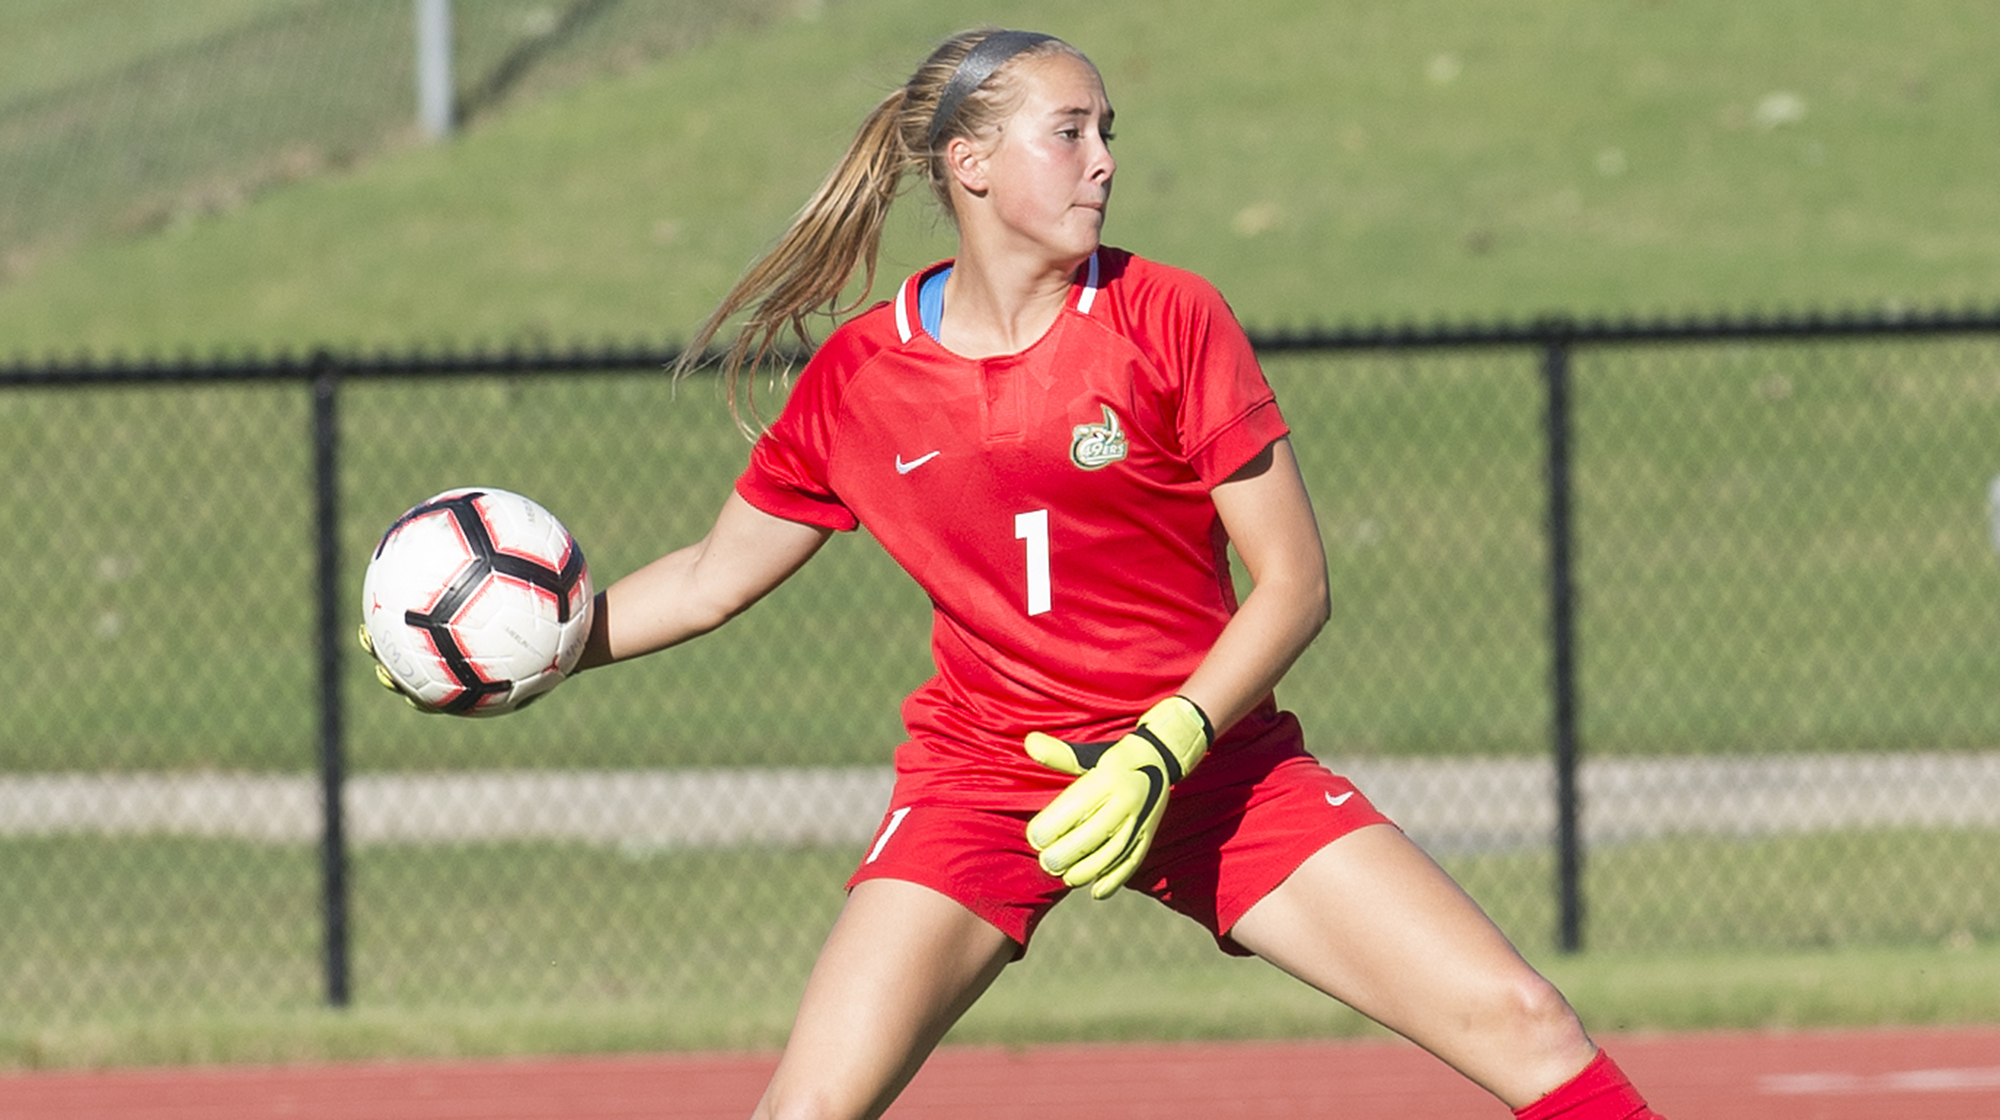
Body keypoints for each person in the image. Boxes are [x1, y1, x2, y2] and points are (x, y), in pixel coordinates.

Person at [575, 28, 1667, 1120]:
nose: (1103, 159)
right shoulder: (861, 373)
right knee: (806, 1109)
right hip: (984, 782)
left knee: (1525, 1022)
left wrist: (1162, 746)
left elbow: (1293, 581)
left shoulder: (1168, 317)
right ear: (971, 165)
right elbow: (711, 577)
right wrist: (523, 647)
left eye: (1106, 132)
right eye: (1068, 133)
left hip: (1206, 765)